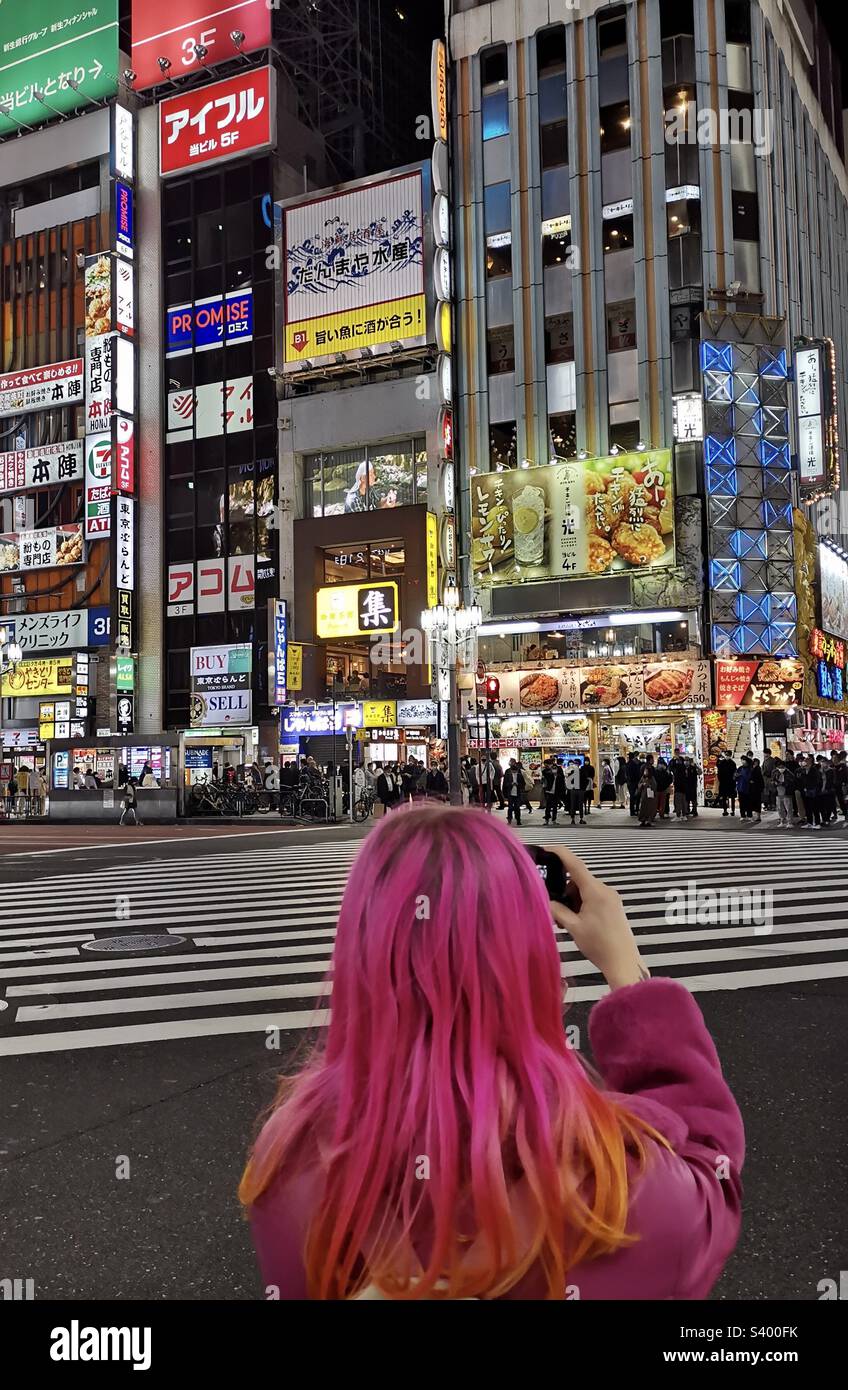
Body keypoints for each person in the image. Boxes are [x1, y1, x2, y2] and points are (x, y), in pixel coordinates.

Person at [240, 808, 744, 1301]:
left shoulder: (288, 1166)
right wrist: (626, 970)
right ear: (528, 956)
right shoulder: (619, 1185)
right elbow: (709, 1169)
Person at [501, 758, 526, 826]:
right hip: (510, 793)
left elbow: (523, 783)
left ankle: (518, 820)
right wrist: (510, 784)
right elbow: (505, 784)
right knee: (510, 807)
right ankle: (509, 819)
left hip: (517, 793)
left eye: (515, 771)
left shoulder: (519, 774)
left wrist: (518, 785)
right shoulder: (508, 773)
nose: (514, 773)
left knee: (517, 807)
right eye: (513, 771)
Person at [541, 758, 562, 825]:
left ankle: (554, 820)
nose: (547, 766)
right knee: (548, 806)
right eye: (546, 765)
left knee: (555, 806)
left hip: (556, 790)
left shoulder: (559, 769)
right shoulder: (545, 771)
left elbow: (562, 777)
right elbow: (545, 774)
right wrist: (552, 773)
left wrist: (556, 774)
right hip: (548, 790)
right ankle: (546, 820)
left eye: (548, 765)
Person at [637, 761, 658, 828]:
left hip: (650, 796)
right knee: (643, 808)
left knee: (650, 809)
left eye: (646, 771)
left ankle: (649, 820)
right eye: (644, 771)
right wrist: (642, 785)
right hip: (644, 796)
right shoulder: (643, 778)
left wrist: (649, 785)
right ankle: (643, 820)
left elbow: (654, 786)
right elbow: (639, 785)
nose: (645, 772)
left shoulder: (652, 778)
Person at [564, 758, 584, 826]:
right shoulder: (580, 771)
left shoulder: (575, 772)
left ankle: (575, 819)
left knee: (575, 804)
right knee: (576, 804)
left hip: (575, 790)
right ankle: (576, 819)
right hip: (578, 790)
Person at [624, 752, 642, 817]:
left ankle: (632, 811)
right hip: (635, 782)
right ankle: (636, 809)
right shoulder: (635, 764)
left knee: (633, 796)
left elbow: (626, 774)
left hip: (630, 782)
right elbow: (638, 774)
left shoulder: (628, 764)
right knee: (637, 796)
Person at [672, 755, 689, 820]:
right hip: (684, 787)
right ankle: (684, 815)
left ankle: (678, 815)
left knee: (678, 802)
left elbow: (672, 765)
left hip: (678, 787)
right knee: (683, 802)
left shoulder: (678, 767)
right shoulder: (684, 768)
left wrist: (674, 759)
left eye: (677, 760)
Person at [747, 759, 763, 824]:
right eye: (754, 763)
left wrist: (754, 782)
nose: (755, 764)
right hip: (751, 788)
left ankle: (758, 816)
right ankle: (753, 816)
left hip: (757, 788)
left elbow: (760, 779)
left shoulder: (758, 769)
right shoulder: (751, 769)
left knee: (757, 803)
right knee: (752, 802)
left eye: (756, 763)